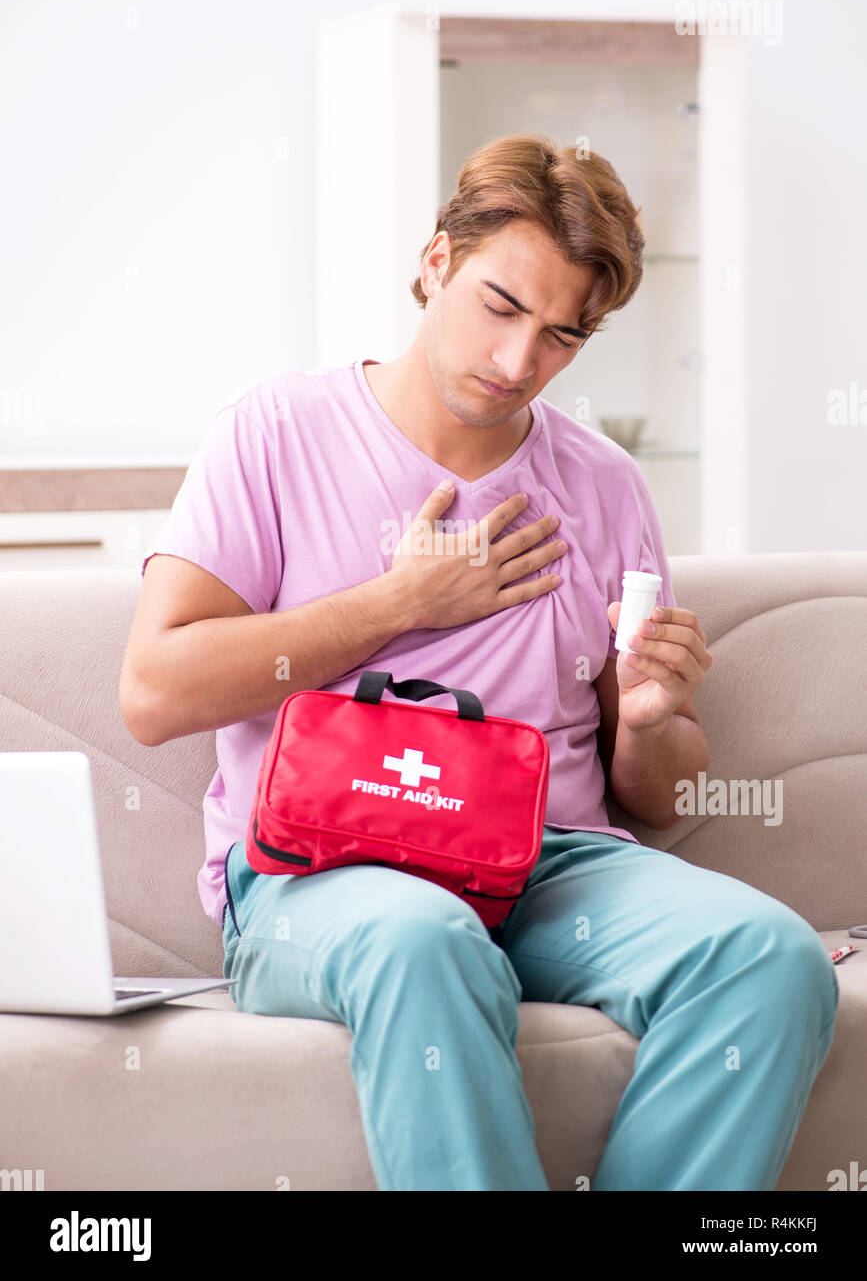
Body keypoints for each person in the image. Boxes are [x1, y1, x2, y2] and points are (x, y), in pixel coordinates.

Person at [119, 132, 838, 1191]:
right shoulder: (275, 431)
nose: (516, 364)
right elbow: (152, 692)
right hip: (325, 871)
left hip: (546, 864)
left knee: (769, 958)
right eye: (500, 308)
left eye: (560, 337)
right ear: (436, 263)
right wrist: (397, 603)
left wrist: (648, 715)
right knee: (426, 936)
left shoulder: (602, 485)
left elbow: (662, 791)